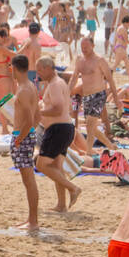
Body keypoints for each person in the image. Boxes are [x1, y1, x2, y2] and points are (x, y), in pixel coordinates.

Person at [36, 55, 83, 212]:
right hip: (65, 128)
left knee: (41, 164)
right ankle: (61, 205)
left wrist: (38, 111)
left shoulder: (55, 84)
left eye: (40, 70)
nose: (38, 73)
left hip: (58, 129)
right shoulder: (57, 83)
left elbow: (57, 108)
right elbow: (63, 108)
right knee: (57, 166)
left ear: (49, 68)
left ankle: (73, 188)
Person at [69, 37, 119, 150]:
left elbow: (110, 79)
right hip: (87, 96)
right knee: (91, 127)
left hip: (98, 95)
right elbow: (74, 78)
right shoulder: (80, 60)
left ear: (93, 46)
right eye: (82, 47)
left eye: (86, 47)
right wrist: (66, 92)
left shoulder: (99, 60)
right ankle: (110, 145)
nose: (84, 49)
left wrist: (116, 98)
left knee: (90, 124)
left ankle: (89, 151)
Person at [9, 54, 40, 232]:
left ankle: (33, 222)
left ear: (14, 68)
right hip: (25, 135)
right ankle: (31, 219)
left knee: (29, 181)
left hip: (23, 136)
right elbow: (38, 117)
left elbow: (30, 119)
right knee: (28, 181)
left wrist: (21, 138)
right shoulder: (29, 87)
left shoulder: (24, 90)